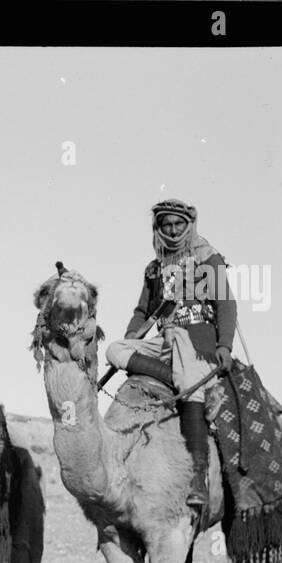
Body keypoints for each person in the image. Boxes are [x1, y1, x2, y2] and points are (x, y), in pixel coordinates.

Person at [104, 198, 236, 514]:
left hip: (197, 338)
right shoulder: (154, 268)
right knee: (115, 350)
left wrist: (224, 345)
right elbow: (143, 310)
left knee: (188, 378)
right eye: (167, 225)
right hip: (164, 340)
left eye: (179, 224)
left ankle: (198, 475)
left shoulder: (208, 258)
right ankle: (179, 380)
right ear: (159, 228)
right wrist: (134, 331)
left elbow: (226, 304)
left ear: (188, 226)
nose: (174, 230)